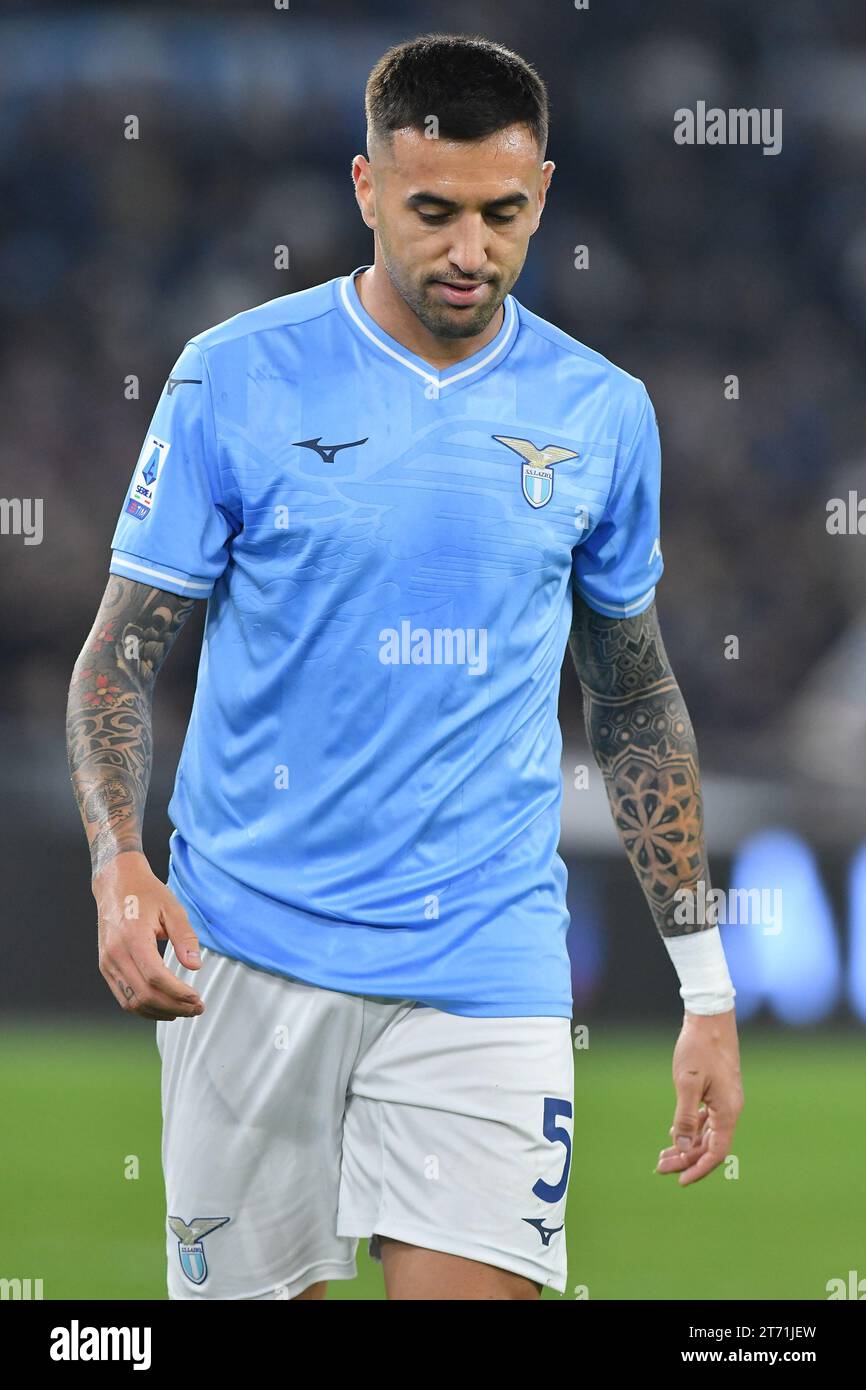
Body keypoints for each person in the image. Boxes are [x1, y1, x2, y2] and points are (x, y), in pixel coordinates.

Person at [66, 33, 743, 1302]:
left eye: (501, 213)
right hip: (249, 951)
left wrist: (703, 989)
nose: (469, 251)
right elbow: (119, 655)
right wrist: (117, 864)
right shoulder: (234, 373)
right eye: (431, 211)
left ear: (541, 191)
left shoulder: (600, 412)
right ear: (367, 187)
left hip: (483, 961)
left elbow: (636, 697)